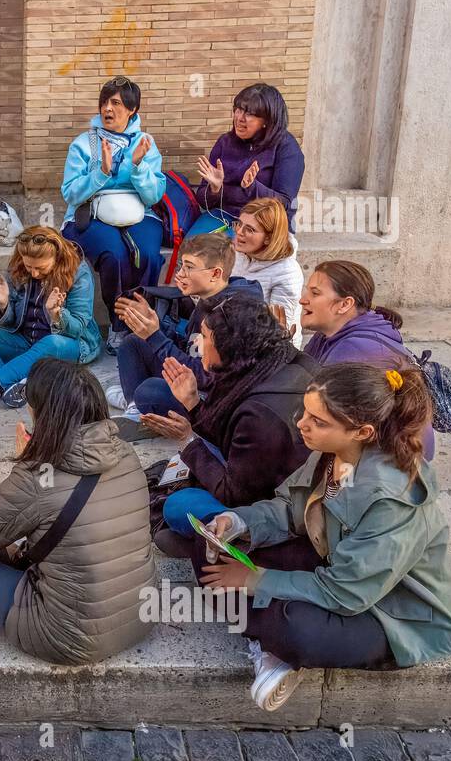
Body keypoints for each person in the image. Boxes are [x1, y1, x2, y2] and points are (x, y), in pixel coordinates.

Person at [197, 363, 451, 711]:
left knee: (297, 629)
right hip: (333, 564)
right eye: (305, 413)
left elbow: (349, 593)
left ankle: (273, 647)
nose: (301, 424)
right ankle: (268, 642)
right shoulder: (331, 454)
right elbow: (291, 511)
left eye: (318, 421)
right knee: (208, 551)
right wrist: (237, 522)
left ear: (362, 431)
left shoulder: (390, 497)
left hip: (390, 615)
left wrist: (256, 580)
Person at [0, 358, 156, 665]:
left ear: (41, 413)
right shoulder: (126, 453)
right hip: (141, 615)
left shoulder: (36, 476)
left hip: (69, 638)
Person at [141, 295, 316, 545]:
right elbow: (228, 435)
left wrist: (187, 440)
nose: (199, 345)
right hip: (259, 471)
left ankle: (230, 543)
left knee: (179, 506)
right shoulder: (275, 359)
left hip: (276, 504)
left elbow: (234, 494)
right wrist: (192, 402)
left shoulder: (259, 415)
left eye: (204, 336)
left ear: (229, 345)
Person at [110, 231, 262, 436]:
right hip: (193, 377)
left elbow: (206, 378)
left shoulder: (232, 314)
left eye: (189, 268)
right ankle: (136, 409)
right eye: (182, 265)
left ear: (215, 273)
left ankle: (143, 405)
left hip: (211, 399)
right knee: (134, 343)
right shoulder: (207, 297)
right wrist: (153, 326)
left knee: (149, 390)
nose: (180, 274)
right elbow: (189, 347)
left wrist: (155, 336)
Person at [60, 76, 167, 354]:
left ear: (132, 109)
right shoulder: (84, 144)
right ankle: (119, 327)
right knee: (115, 255)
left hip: (137, 210)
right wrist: (102, 173)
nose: (107, 108)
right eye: (104, 102)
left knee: (148, 255)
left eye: (116, 103)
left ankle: (141, 321)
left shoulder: (145, 144)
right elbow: (70, 193)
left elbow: (154, 195)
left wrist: (138, 166)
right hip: (92, 212)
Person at [299, 260, 434, 459]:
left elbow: (321, 413)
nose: (303, 300)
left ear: (345, 304)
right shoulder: (327, 334)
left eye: (315, 293)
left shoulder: (355, 351)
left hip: (391, 463)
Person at [0, 226, 100, 411]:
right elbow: (12, 324)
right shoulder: (18, 268)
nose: (34, 273)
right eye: (29, 266)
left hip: (69, 345)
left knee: (51, 343)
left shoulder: (78, 273)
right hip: (26, 340)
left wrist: (57, 314)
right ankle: (10, 388)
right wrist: (4, 304)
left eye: (40, 268)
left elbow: (78, 328)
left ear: (57, 258)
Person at [192, 82, 305, 236]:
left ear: (267, 120)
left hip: (263, 220)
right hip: (224, 215)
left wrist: (252, 188)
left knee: (225, 252)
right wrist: (215, 189)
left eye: (249, 113)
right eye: (238, 110)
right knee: (191, 248)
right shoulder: (225, 142)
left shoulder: (286, 147)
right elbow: (203, 201)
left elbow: (283, 202)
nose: (240, 118)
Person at [230, 197, 304, 345]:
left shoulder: (287, 274)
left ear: (269, 239)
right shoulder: (241, 254)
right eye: (239, 224)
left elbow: (278, 332)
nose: (239, 232)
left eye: (249, 229)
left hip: (264, 350)